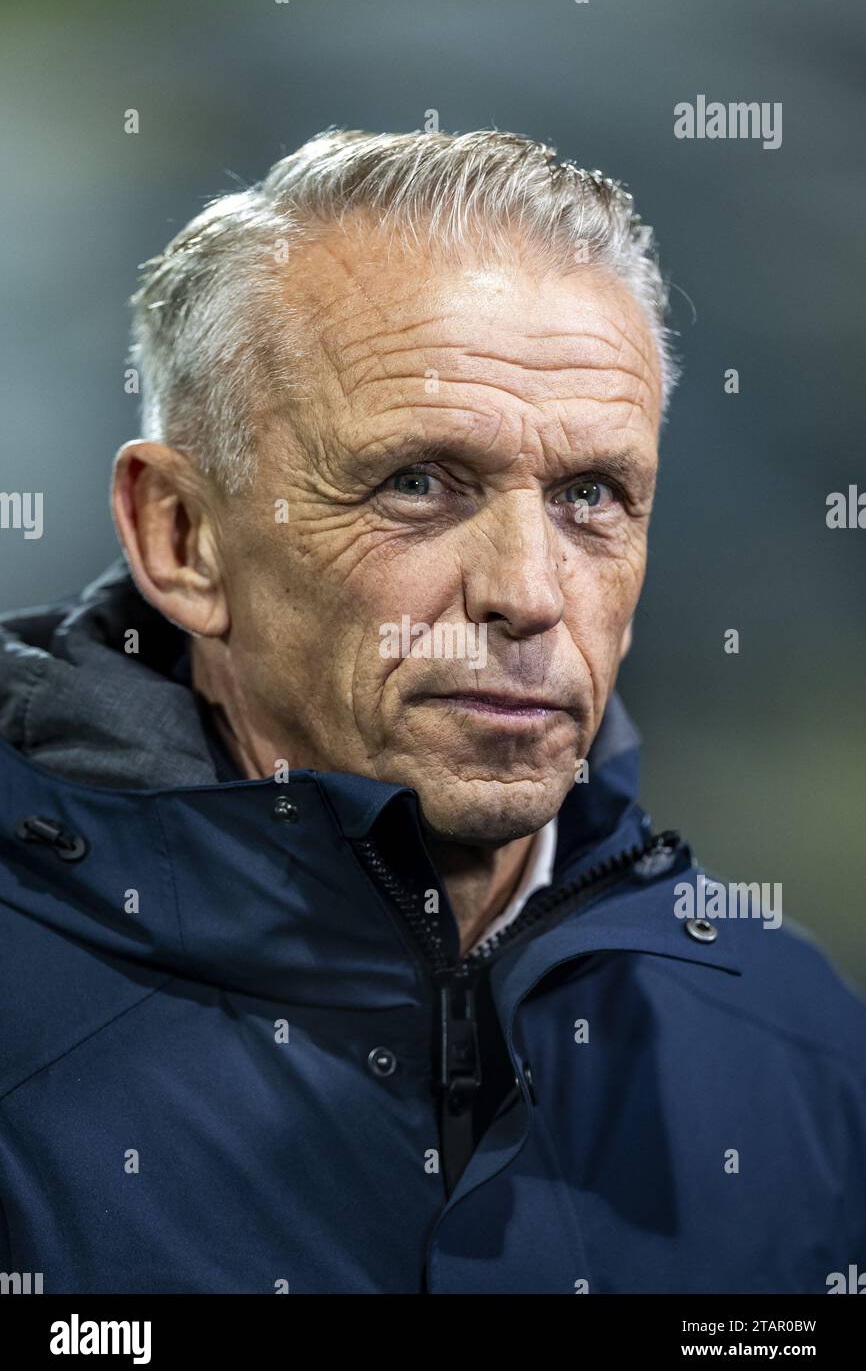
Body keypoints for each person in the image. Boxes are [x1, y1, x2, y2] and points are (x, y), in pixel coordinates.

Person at [1, 129, 863, 1294]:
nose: (526, 592)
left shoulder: (795, 1038)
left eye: (591, 495)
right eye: (416, 482)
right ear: (182, 536)